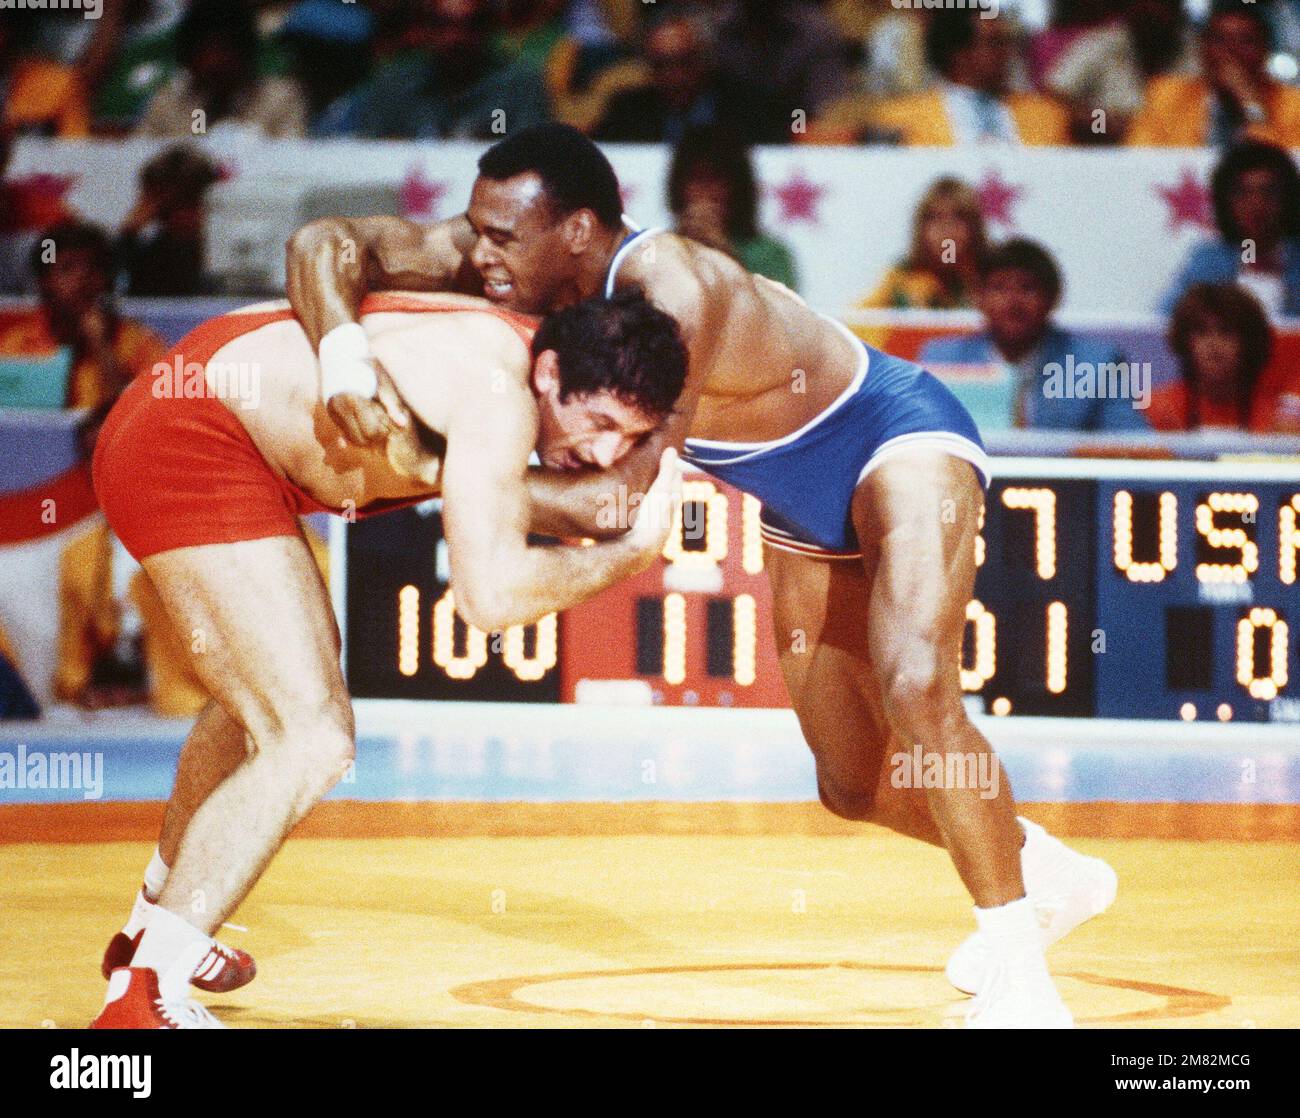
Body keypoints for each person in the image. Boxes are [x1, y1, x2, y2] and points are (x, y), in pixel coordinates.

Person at [287, 124, 1120, 1028]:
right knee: (850, 786)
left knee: (917, 683)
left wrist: (436, 464)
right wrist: (342, 350)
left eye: (500, 236)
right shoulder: (502, 259)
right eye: (477, 230)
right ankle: (1040, 870)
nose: (475, 250)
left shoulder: (674, 287)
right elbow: (321, 243)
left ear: (575, 232)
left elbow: (626, 492)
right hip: (797, 504)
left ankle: (1020, 978)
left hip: (894, 435)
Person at [91, 288, 687, 1028]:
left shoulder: (514, 363)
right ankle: (145, 997)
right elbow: (490, 601)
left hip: (201, 423)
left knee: (270, 698)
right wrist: (631, 555)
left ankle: (155, 925)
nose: (602, 453)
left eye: (625, 436)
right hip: (189, 439)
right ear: (551, 373)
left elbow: (533, 492)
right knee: (311, 736)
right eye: (597, 423)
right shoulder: (498, 395)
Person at [920, 239, 1150, 433]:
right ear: (978, 298)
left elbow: (1133, 448)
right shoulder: (943, 360)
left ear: (1052, 298)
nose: (1013, 301)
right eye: (998, 288)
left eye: (1027, 287)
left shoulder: (1097, 365)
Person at [859, 9, 1068, 147]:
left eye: (1008, 43)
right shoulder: (899, 119)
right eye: (995, 43)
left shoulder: (1047, 116)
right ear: (959, 53)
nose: (1007, 53)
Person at [1127, 1, 1300, 148]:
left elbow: (1277, 171)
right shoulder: (1165, 95)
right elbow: (1139, 159)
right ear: (1203, 49)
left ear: (1265, 51)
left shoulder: (1293, 106)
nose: (1231, 51)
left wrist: (1250, 103)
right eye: (1219, 40)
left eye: (1245, 41)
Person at [1159, 140, 1300, 320]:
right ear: (1225, 201)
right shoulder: (1209, 258)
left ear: (1289, 199)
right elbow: (1163, 322)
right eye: (1242, 193)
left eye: (1269, 192)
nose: (1256, 204)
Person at [134, 0, 308, 139]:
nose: (215, 61)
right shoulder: (168, 102)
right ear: (188, 57)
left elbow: (290, 159)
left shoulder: (281, 100)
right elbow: (137, 159)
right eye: (206, 50)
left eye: (224, 49)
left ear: (245, 53)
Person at [1153, 282, 1300, 432]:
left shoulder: (1277, 418)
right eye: (1201, 331)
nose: (1213, 343)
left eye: (1226, 331)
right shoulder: (1157, 407)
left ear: (1249, 342)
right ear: (1185, 340)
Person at [666, 126, 798, 291]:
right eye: (697, 179)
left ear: (739, 187)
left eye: (717, 180)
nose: (707, 192)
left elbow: (781, 311)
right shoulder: (660, 249)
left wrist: (727, 255)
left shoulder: (771, 255)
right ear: (678, 186)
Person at [858, 177, 985, 310]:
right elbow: (859, 318)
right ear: (921, 227)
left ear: (974, 225)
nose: (947, 227)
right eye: (936, 218)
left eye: (958, 217)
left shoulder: (990, 274)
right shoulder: (901, 276)